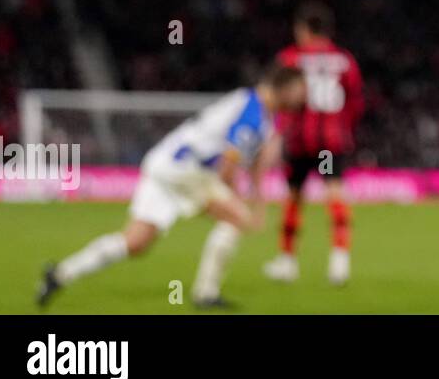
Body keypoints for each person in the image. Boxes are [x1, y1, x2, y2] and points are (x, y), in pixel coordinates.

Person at [38, 64, 306, 308]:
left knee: (135, 242)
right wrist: (240, 206)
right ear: (286, 88)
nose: (302, 98)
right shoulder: (254, 113)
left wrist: (256, 204)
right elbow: (228, 165)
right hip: (187, 170)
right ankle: (206, 294)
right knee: (236, 220)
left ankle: (61, 273)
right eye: (299, 91)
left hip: (162, 163)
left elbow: (256, 165)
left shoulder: (256, 110)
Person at [263, 2, 365, 286]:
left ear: (303, 29)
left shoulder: (290, 58)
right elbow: (356, 101)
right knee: (335, 195)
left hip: (299, 139)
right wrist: (345, 130)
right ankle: (339, 262)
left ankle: (287, 261)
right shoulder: (345, 60)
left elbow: (277, 98)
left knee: (294, 198)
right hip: (331, 141)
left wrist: (276, 133)